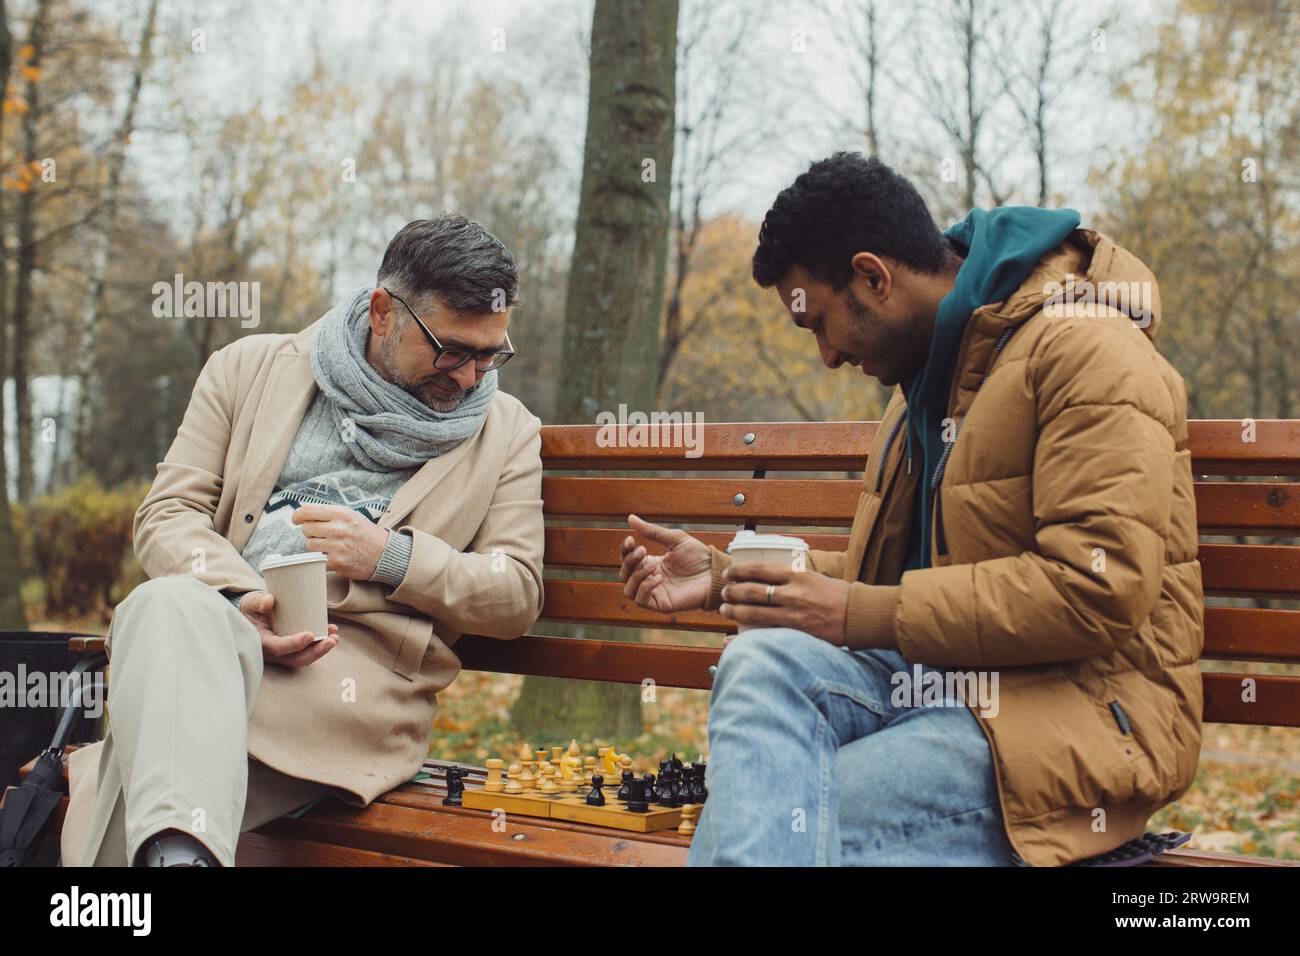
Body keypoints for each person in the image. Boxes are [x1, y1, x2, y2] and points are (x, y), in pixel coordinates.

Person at [619, 153, 1202, 867]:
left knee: (782, 822)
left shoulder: (1089, 351)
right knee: (762, 658)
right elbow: (881, 582)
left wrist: (852, 613)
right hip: (938, 684)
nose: (828, 356)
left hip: (1073, 716)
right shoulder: (926, 379)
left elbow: (1095, 588)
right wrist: (722, 576)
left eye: (821, 324)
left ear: (874, 276)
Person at [62, 214, 545, 866]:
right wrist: (236, 599)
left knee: (135, 759)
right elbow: (168, 512)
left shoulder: (508, 431)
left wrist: (390, 557)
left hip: (351, 689)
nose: (468, 377)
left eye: (490, 353)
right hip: (217, 641)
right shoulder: (248, 369)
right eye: (451, 349)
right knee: (160, 605)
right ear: (382, 313)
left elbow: (515, 593)